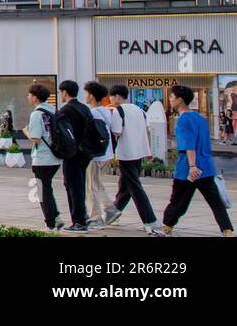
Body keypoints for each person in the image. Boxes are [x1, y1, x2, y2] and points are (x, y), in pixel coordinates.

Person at [160, 84, 233, 236]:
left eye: (172, 97)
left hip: (188, 168)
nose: (170, 100)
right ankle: (226, 229)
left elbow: (189, 144)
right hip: (206, 167)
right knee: (215, 201)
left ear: (179, 100)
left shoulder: (182, 120)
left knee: (179, 200)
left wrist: (192, 166)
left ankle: (167, 226)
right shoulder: (200, 118)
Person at [103, 84, 161, 234]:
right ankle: (112, 214)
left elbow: (116, 132)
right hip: (139, 152)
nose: (110, 99)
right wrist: (148, 151)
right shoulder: (140, 110)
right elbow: (147, 131)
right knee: (125, 186)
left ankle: (150, 220)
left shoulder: (118, 111)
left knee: (134, 187)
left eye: (111, 96)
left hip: (126, 153)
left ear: (116, 96)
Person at [54, 79, 95, 233]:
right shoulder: (85, 108)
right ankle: (81, 217)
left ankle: (79, 222)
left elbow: (60, 134)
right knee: (79, 186)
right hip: (85, 153)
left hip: (72, 155)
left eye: (60, 92)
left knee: (73, 187)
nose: (60, 95)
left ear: (65, 92)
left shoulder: (66, 110)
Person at [24, 83, 63, 232]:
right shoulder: (53, 110)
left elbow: (35, 138)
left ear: (35, 97)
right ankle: (57, 218)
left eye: (29, 95)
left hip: (42, 158)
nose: (28, 97)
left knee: (42, 191)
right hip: (56, 157)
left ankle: (50, 224)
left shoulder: (36, 114)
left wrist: (26, 132)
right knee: (47, 188)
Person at [83, 81, 116, 228]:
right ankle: (110, 210)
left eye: (87, 93)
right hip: (107, 153)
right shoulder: (106, 111)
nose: (85, 96)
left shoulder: (93, 113)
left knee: (91, 186)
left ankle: (95, 218)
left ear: (91, 95)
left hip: (95, 155)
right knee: (97, 183)